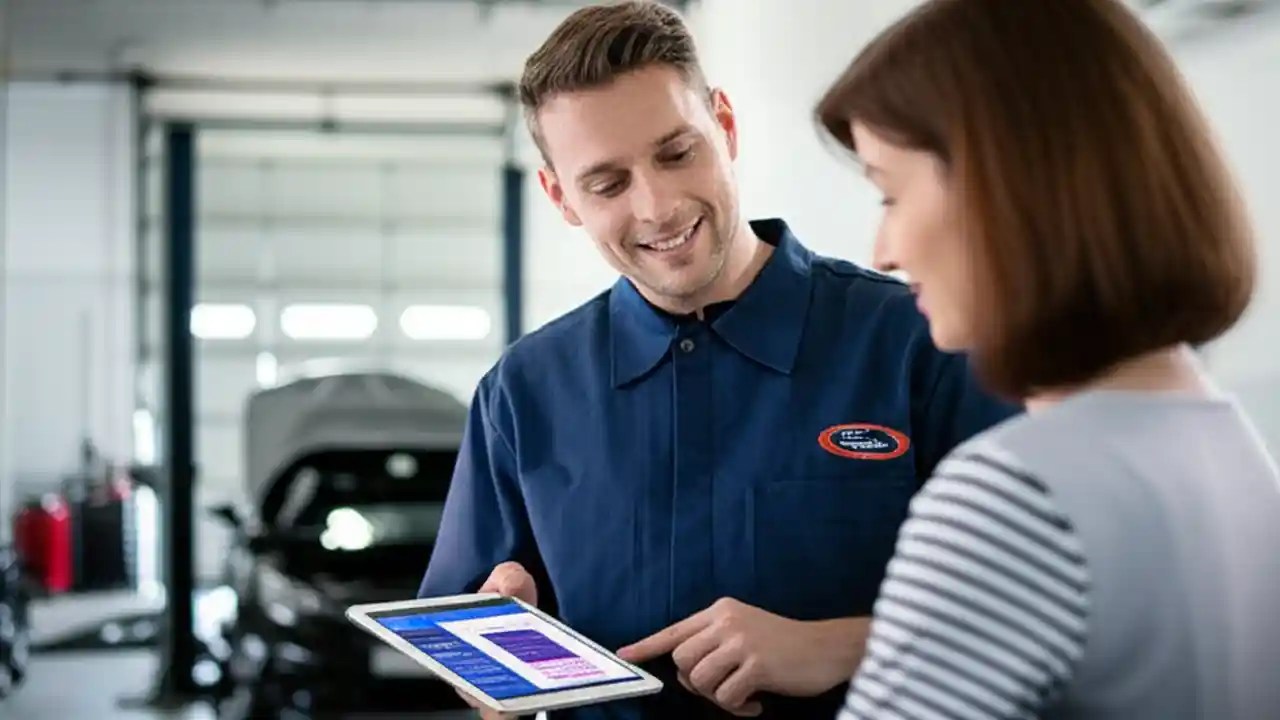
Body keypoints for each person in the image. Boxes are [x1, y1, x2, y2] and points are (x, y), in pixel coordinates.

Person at [418, 2, 1016, 718]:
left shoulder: (917, 341)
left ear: (725, 127)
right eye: (608, 184)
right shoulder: (522, 392)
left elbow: (1039, 606)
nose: (659, 206)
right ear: (561, 198)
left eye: (677, 153)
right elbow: (458, 650)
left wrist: (845, 644)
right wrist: (491, 654)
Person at [812, 0, 1280, 717]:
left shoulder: (1015, 495)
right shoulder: (1231, 447)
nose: (883, 252)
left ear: (1007, 187)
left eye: (890, 194)